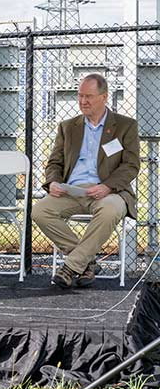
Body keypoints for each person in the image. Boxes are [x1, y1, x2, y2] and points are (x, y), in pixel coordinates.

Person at [33, 73, 140, 289]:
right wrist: (53, 182)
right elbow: (55, 163)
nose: (83, 101)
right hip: (71, 190)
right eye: (80, 96)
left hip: (109, 192)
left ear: (104, 97)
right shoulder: (68, 127)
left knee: (111, 210)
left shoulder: (125, 126)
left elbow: (131, 165)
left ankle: (71, 267)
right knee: (39, 211)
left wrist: (107, 186)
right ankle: (86, 262)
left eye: (88, 96)